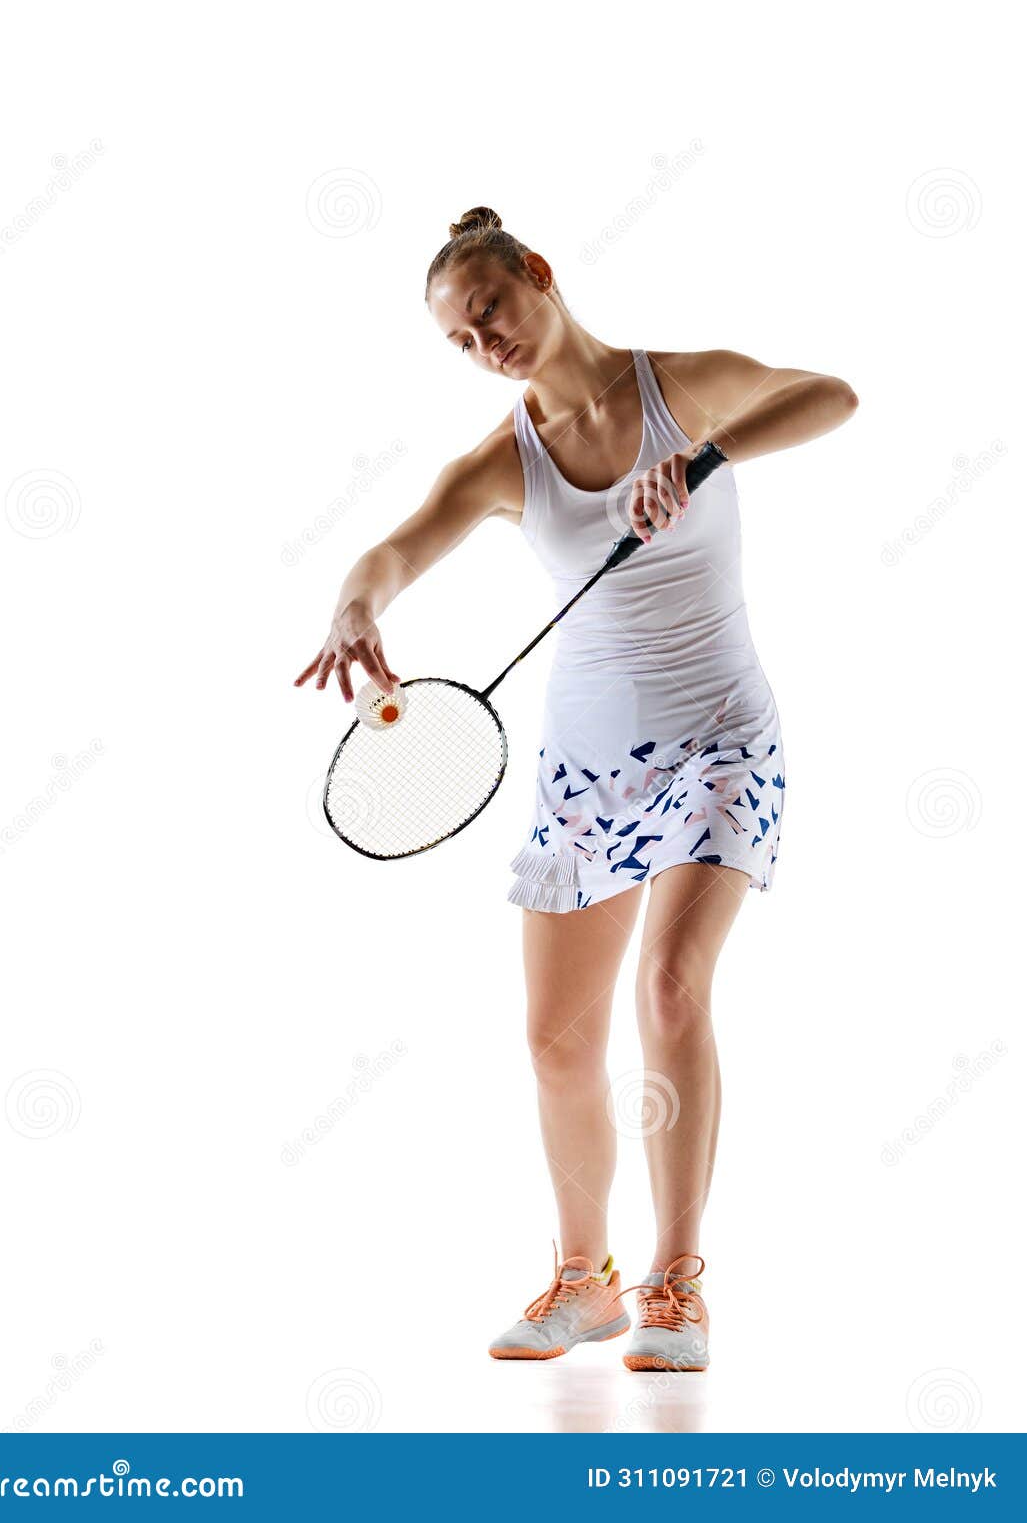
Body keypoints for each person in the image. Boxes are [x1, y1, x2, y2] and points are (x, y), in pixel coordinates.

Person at [295, 207, 858, 1371]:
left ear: (535, 276)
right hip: (586, 766)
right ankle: (584, 1280)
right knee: (556, 1040)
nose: (483, 343)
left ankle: (676, 1283)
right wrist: (357, 602)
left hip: (720, 737)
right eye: (459, 339)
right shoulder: (504, 459)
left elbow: (831, 393)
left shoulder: (678, 388)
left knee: (667, 988)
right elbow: (395, 549)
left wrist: (697, 457)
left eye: (488, 310)